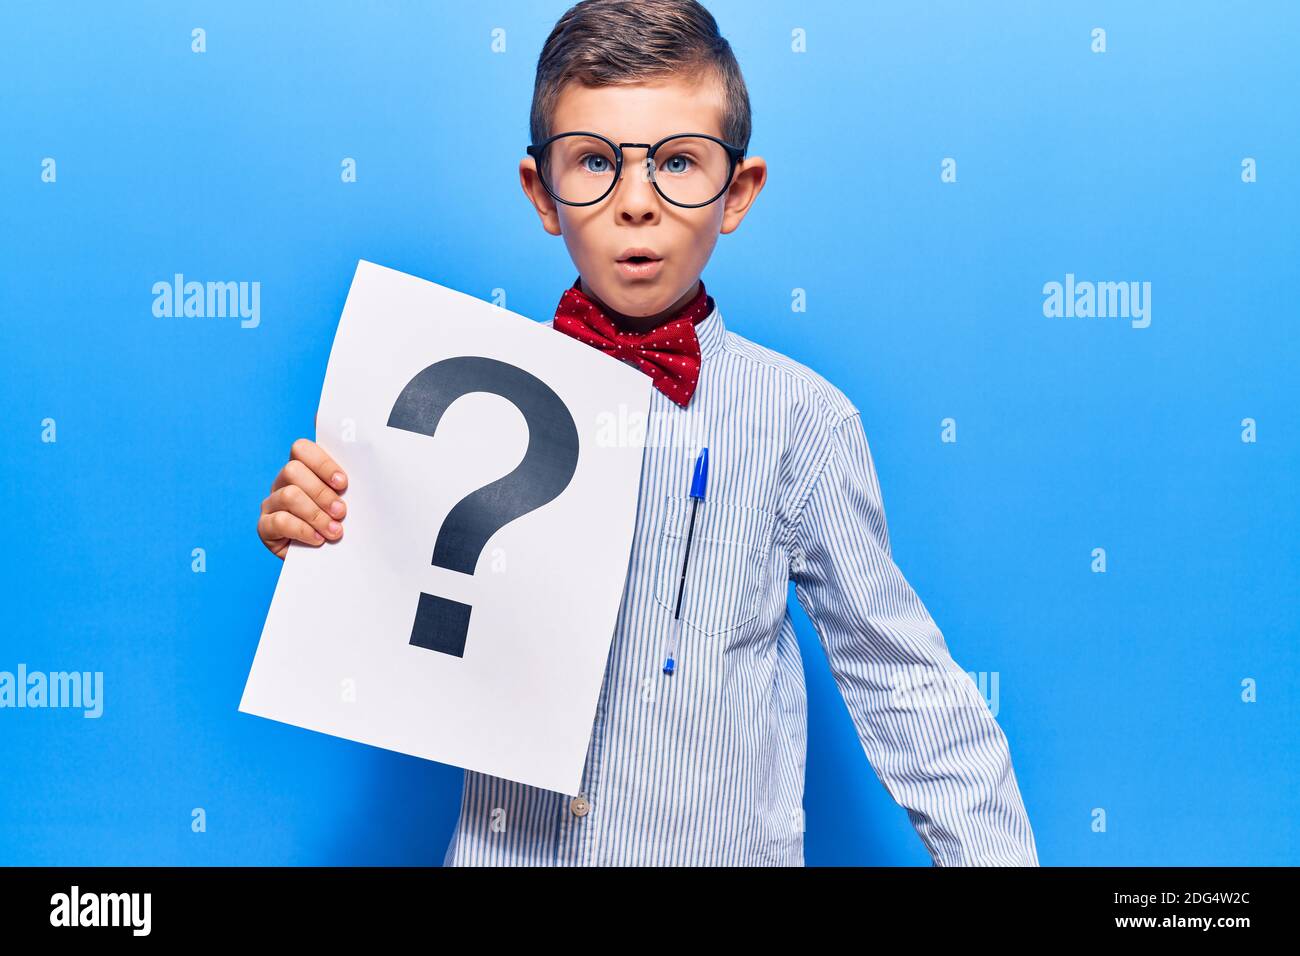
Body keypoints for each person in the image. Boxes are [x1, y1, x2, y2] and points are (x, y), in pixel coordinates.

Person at [257, 0, 1039, 866]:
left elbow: (902, 682)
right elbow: (398, 628)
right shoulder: (456, 401)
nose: (637, 204)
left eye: (677, 163)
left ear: (737, 192)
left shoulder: (801, 423)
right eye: (594, 161)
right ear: (540, 193)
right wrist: (329, 542)